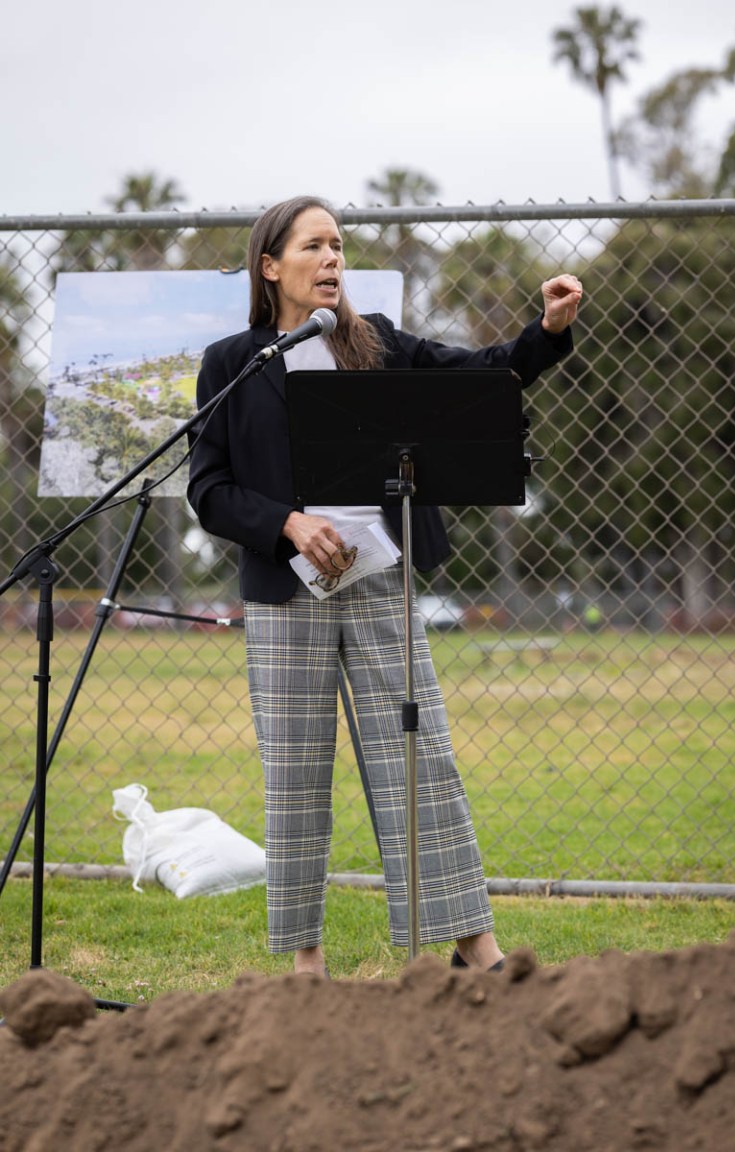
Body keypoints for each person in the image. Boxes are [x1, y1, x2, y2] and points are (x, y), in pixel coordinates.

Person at [187, 195, 582, 977]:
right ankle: (307, 966)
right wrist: (290, 524)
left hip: (380, 588)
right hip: (286, 593)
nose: (332, 258)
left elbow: (480, 375)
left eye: (338, 245)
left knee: (420, 761)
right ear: (272, 267)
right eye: (314, 246)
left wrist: (546, 333)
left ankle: (475, 947)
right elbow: (210, 489)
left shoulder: (378, 343)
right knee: (295, 779)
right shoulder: (233, 363)